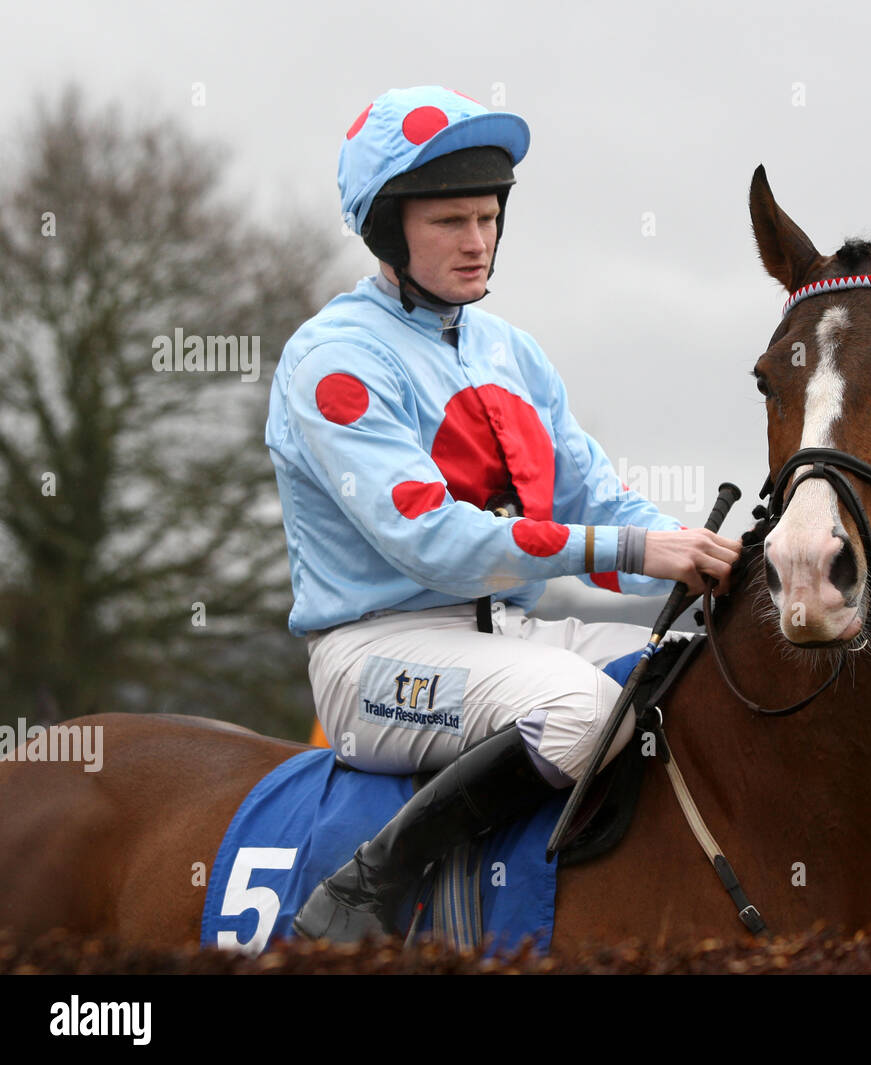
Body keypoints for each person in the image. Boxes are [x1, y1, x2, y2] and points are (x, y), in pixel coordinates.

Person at [264, 85, 741, 942]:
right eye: (450, 221)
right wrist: (641, 547)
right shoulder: (334, 359)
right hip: (377, 656)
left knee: (700, 677)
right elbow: (438, 542)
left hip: (511, 640)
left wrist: (713, 559)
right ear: (386, 230)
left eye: (487, 217)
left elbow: (594, 505)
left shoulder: (510, 352)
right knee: (584, 714)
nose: (477, 241)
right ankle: (368, 886)